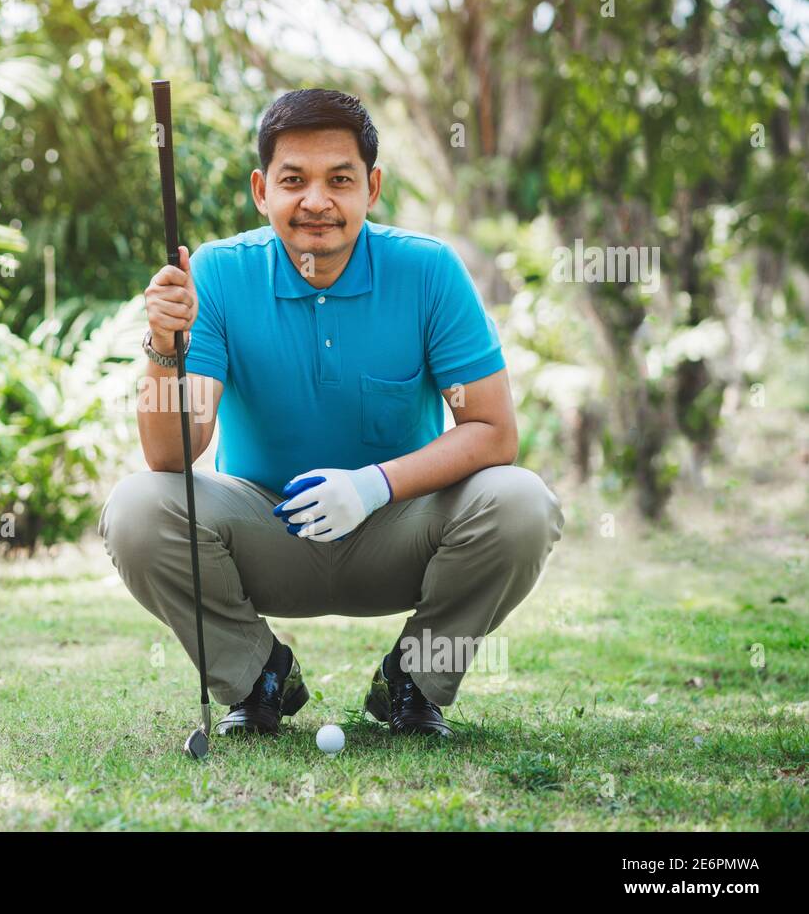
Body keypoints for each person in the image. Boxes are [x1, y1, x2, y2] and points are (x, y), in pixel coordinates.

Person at [98, 89, 563, 739]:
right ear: (262, 190)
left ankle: (413, 681)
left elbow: (493, 431)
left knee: (522, 502)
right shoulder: (219, 274)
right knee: (138, 507)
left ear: (371, 186)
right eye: (294, 180)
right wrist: (164, 347)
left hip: (401, 531)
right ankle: (258, 678)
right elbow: (171, 456)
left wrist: (373, 484)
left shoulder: (429, 271)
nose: (316, 200)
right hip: (266, 534)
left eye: (339, 179)